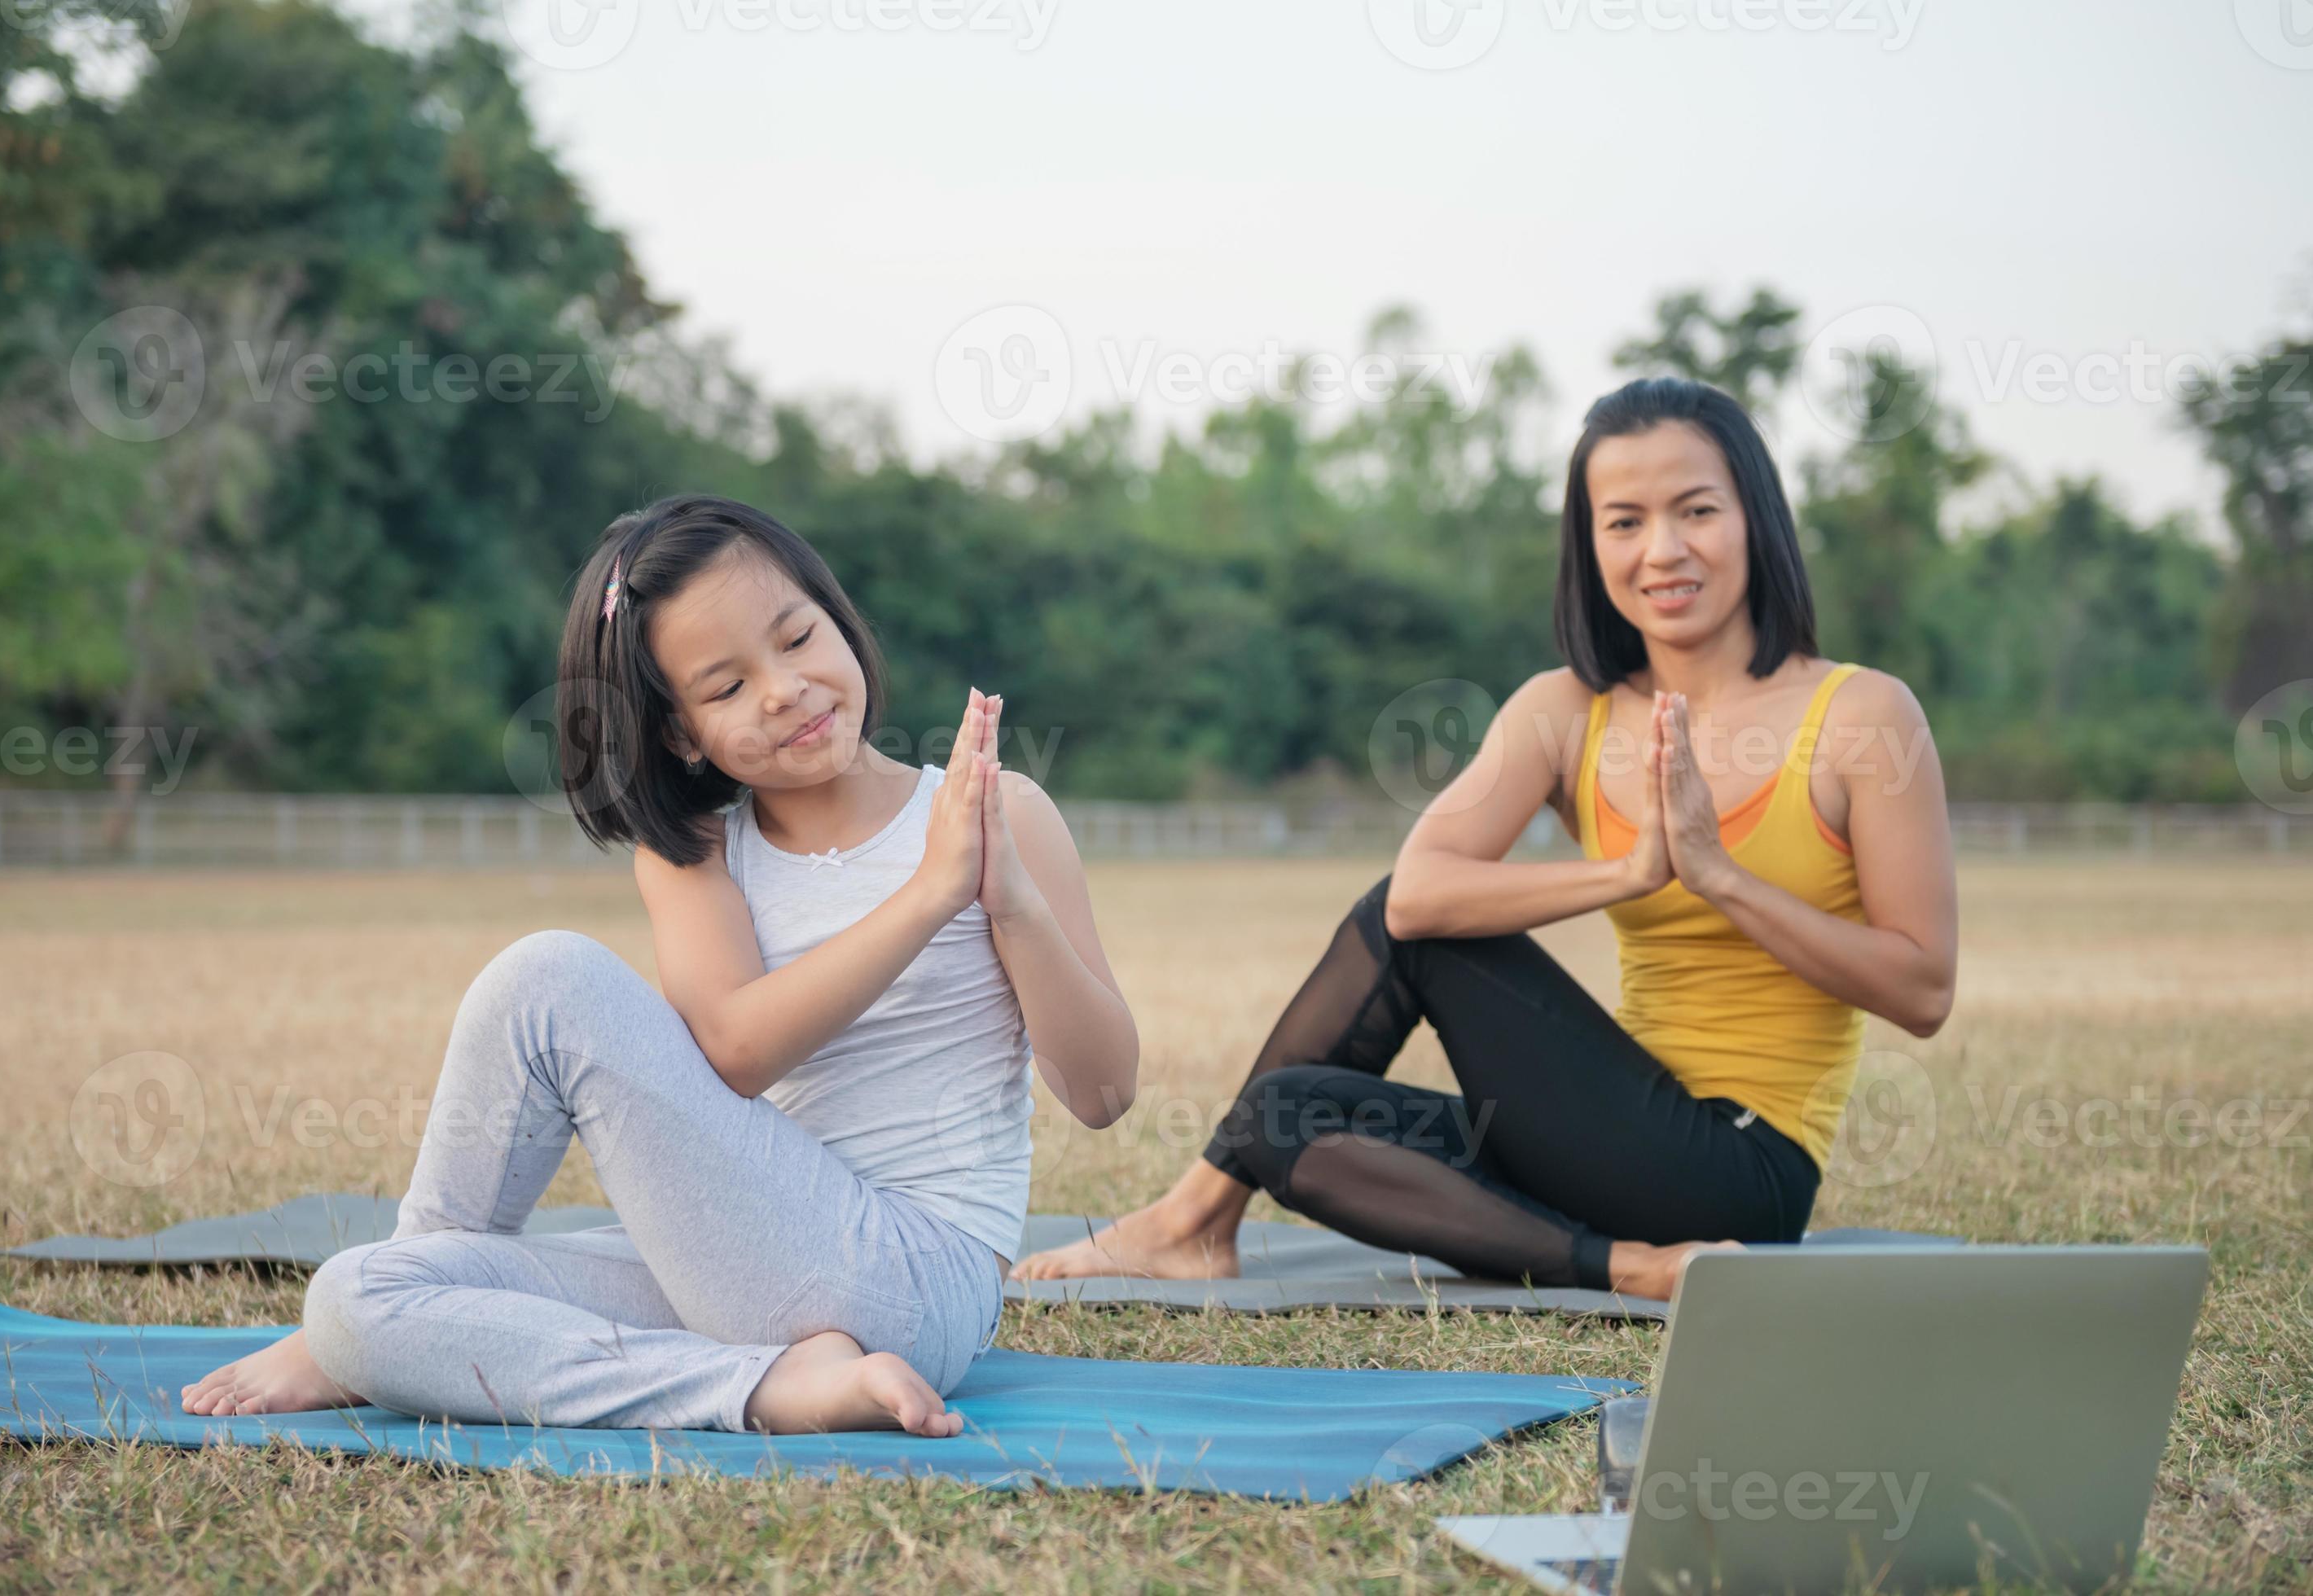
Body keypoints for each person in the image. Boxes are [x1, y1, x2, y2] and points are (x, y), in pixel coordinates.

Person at [181, 494, 1137, 1434]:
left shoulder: (996, 813)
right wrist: (930, 893)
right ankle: (759, 1386)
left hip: (916, 1285)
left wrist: (999, 896)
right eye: (726, 688)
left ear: (840, 621)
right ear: (682, 733)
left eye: (799, 638)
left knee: (555, 975)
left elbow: (1101, 1092)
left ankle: (724, 1369)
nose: (783, 690)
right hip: (739, 1264)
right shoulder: (698, 849)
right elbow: (737, 1046)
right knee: (354, 1296)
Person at [1012, 377, 1957, 1302]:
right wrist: (1627, 871)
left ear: (1756, 517)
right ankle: (1621, 1263)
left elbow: (1922, 989)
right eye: (1624, 521)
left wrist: (1720, 877)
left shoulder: (1861, 715)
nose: (1662, 550)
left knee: (1412, 931)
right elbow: (1419, 895)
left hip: (1741, 1169)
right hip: (1602, 1138)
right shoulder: (1567, 712)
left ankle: (1190, 1219)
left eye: (1696, 510)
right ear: (1590, 546)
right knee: (1280, 1114)